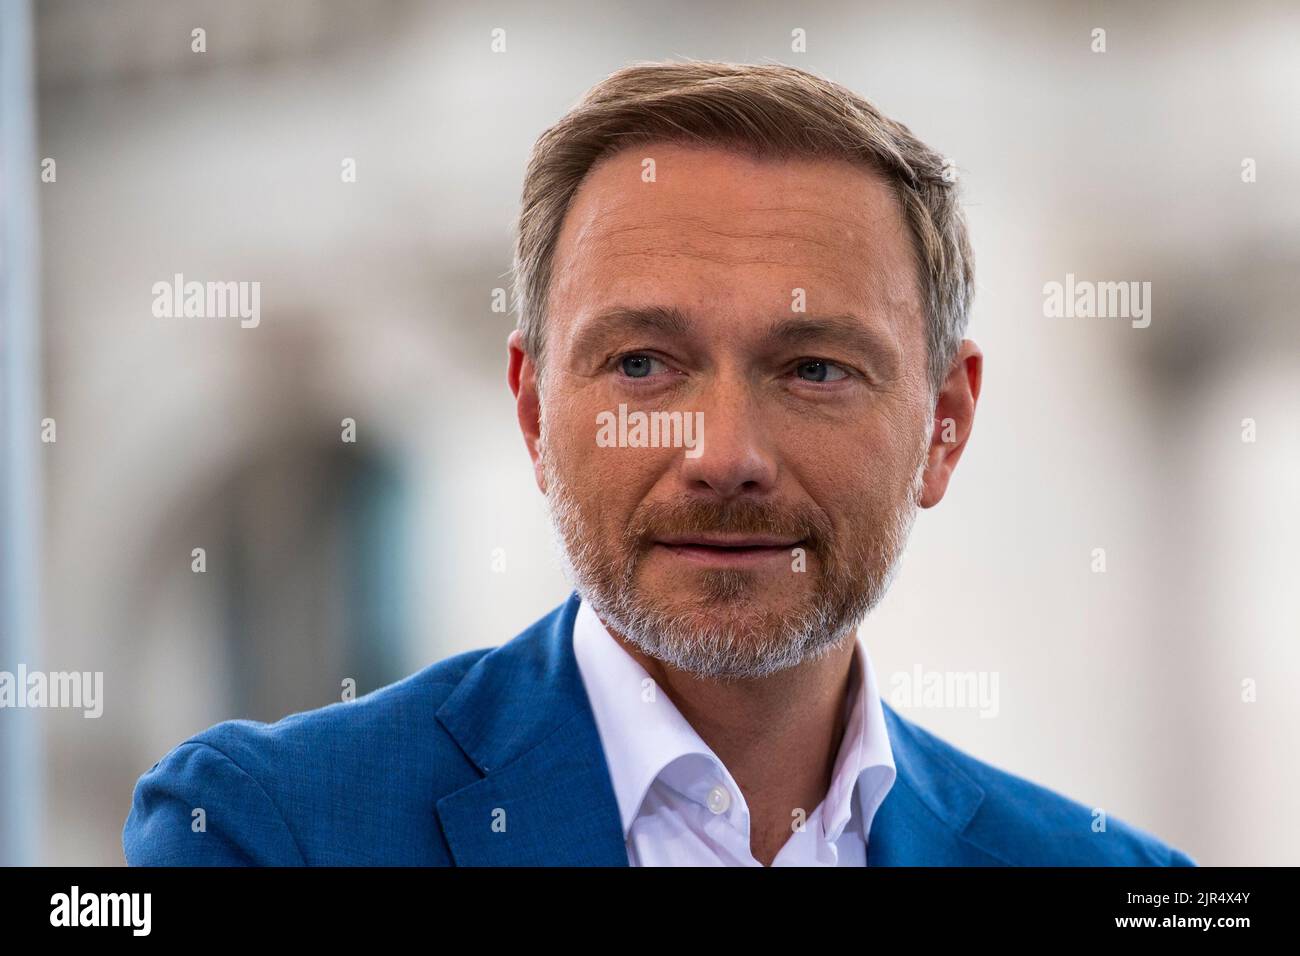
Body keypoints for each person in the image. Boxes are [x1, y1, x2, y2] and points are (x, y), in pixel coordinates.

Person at [123, 60, 1194, 866]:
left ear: (944, 425)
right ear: (535, 413)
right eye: (642, 363)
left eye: (814, 368)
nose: (724, 454)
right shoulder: (270, 831)